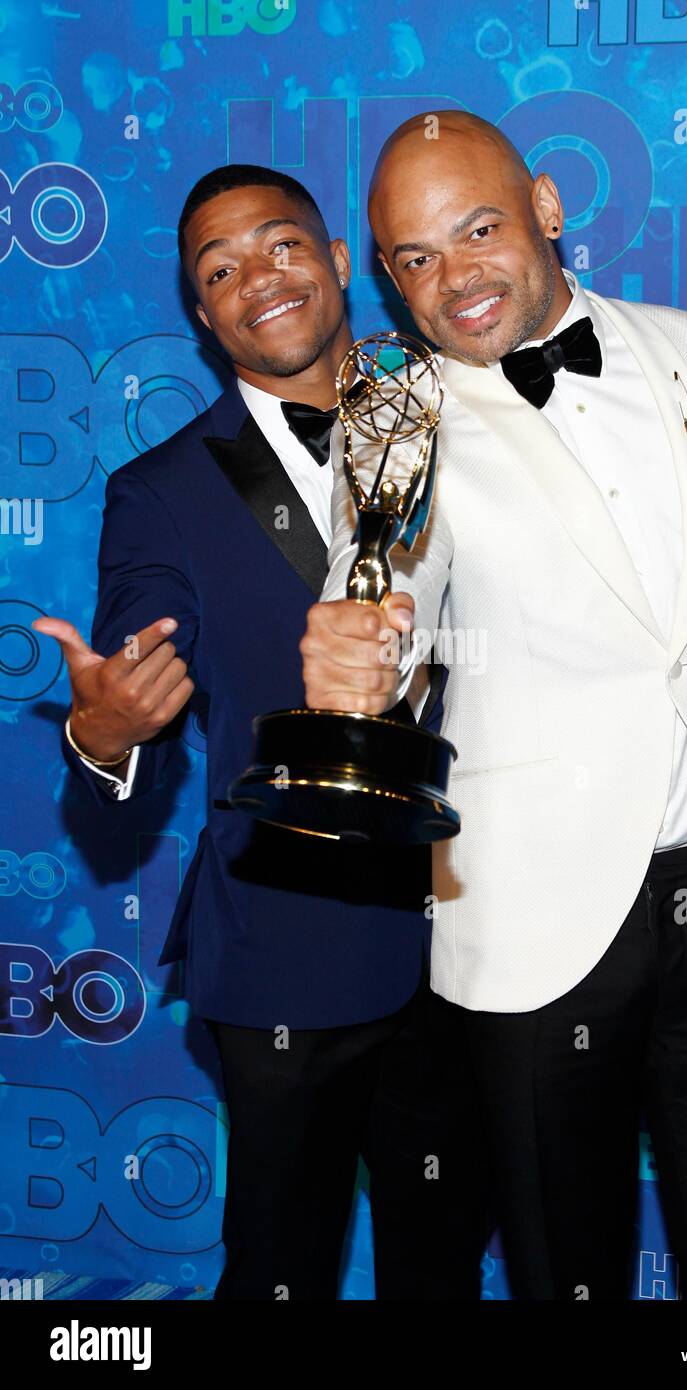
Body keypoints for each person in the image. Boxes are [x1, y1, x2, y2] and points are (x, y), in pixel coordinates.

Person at [300, 113, 687, 1301]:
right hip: (534, 909)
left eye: (480, 229)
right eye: (412, 257)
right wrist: (360, 663)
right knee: (564, 1260)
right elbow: (387, 600)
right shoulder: (396, 422)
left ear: (547, 207)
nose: (451, 277)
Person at [33, 163, 488, 1302]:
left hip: (487, 933)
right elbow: (129, 700)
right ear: (201, 315)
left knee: (445, 1257)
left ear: (339, 262)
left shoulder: (471, 420)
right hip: (290, 942)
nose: (255, 279)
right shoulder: (163, 492)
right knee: (280, 1267)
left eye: (280, 246)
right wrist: (102, 724)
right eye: (218, 270)